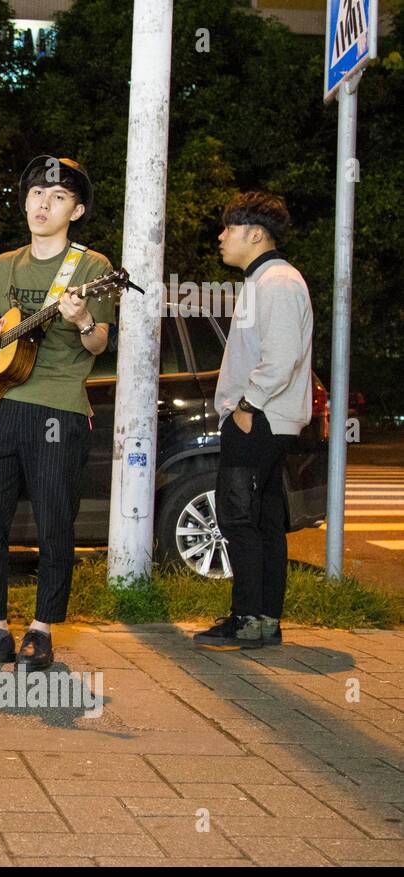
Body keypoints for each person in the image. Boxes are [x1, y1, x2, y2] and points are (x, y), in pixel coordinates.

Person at [0, 155, 115, 671]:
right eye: (37, 193)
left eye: (58, 197)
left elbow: (99, 342)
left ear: (76, 211)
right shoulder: (3, 266)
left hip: (57, 409)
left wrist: (82, 319)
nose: (43, 203)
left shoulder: (92, 269)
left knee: (55, 522)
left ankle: (42, 630)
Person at [194, 192, 312, 651]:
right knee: (261, 520)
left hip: (260, 418)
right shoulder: (264, 280)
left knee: (238, 516)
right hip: (264, 417)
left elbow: (280, 358)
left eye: (229, 228)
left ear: (255, 234)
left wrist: (246, 406)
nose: (221, 237)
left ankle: (247, 619)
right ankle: (262, 621)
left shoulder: (277, 282)